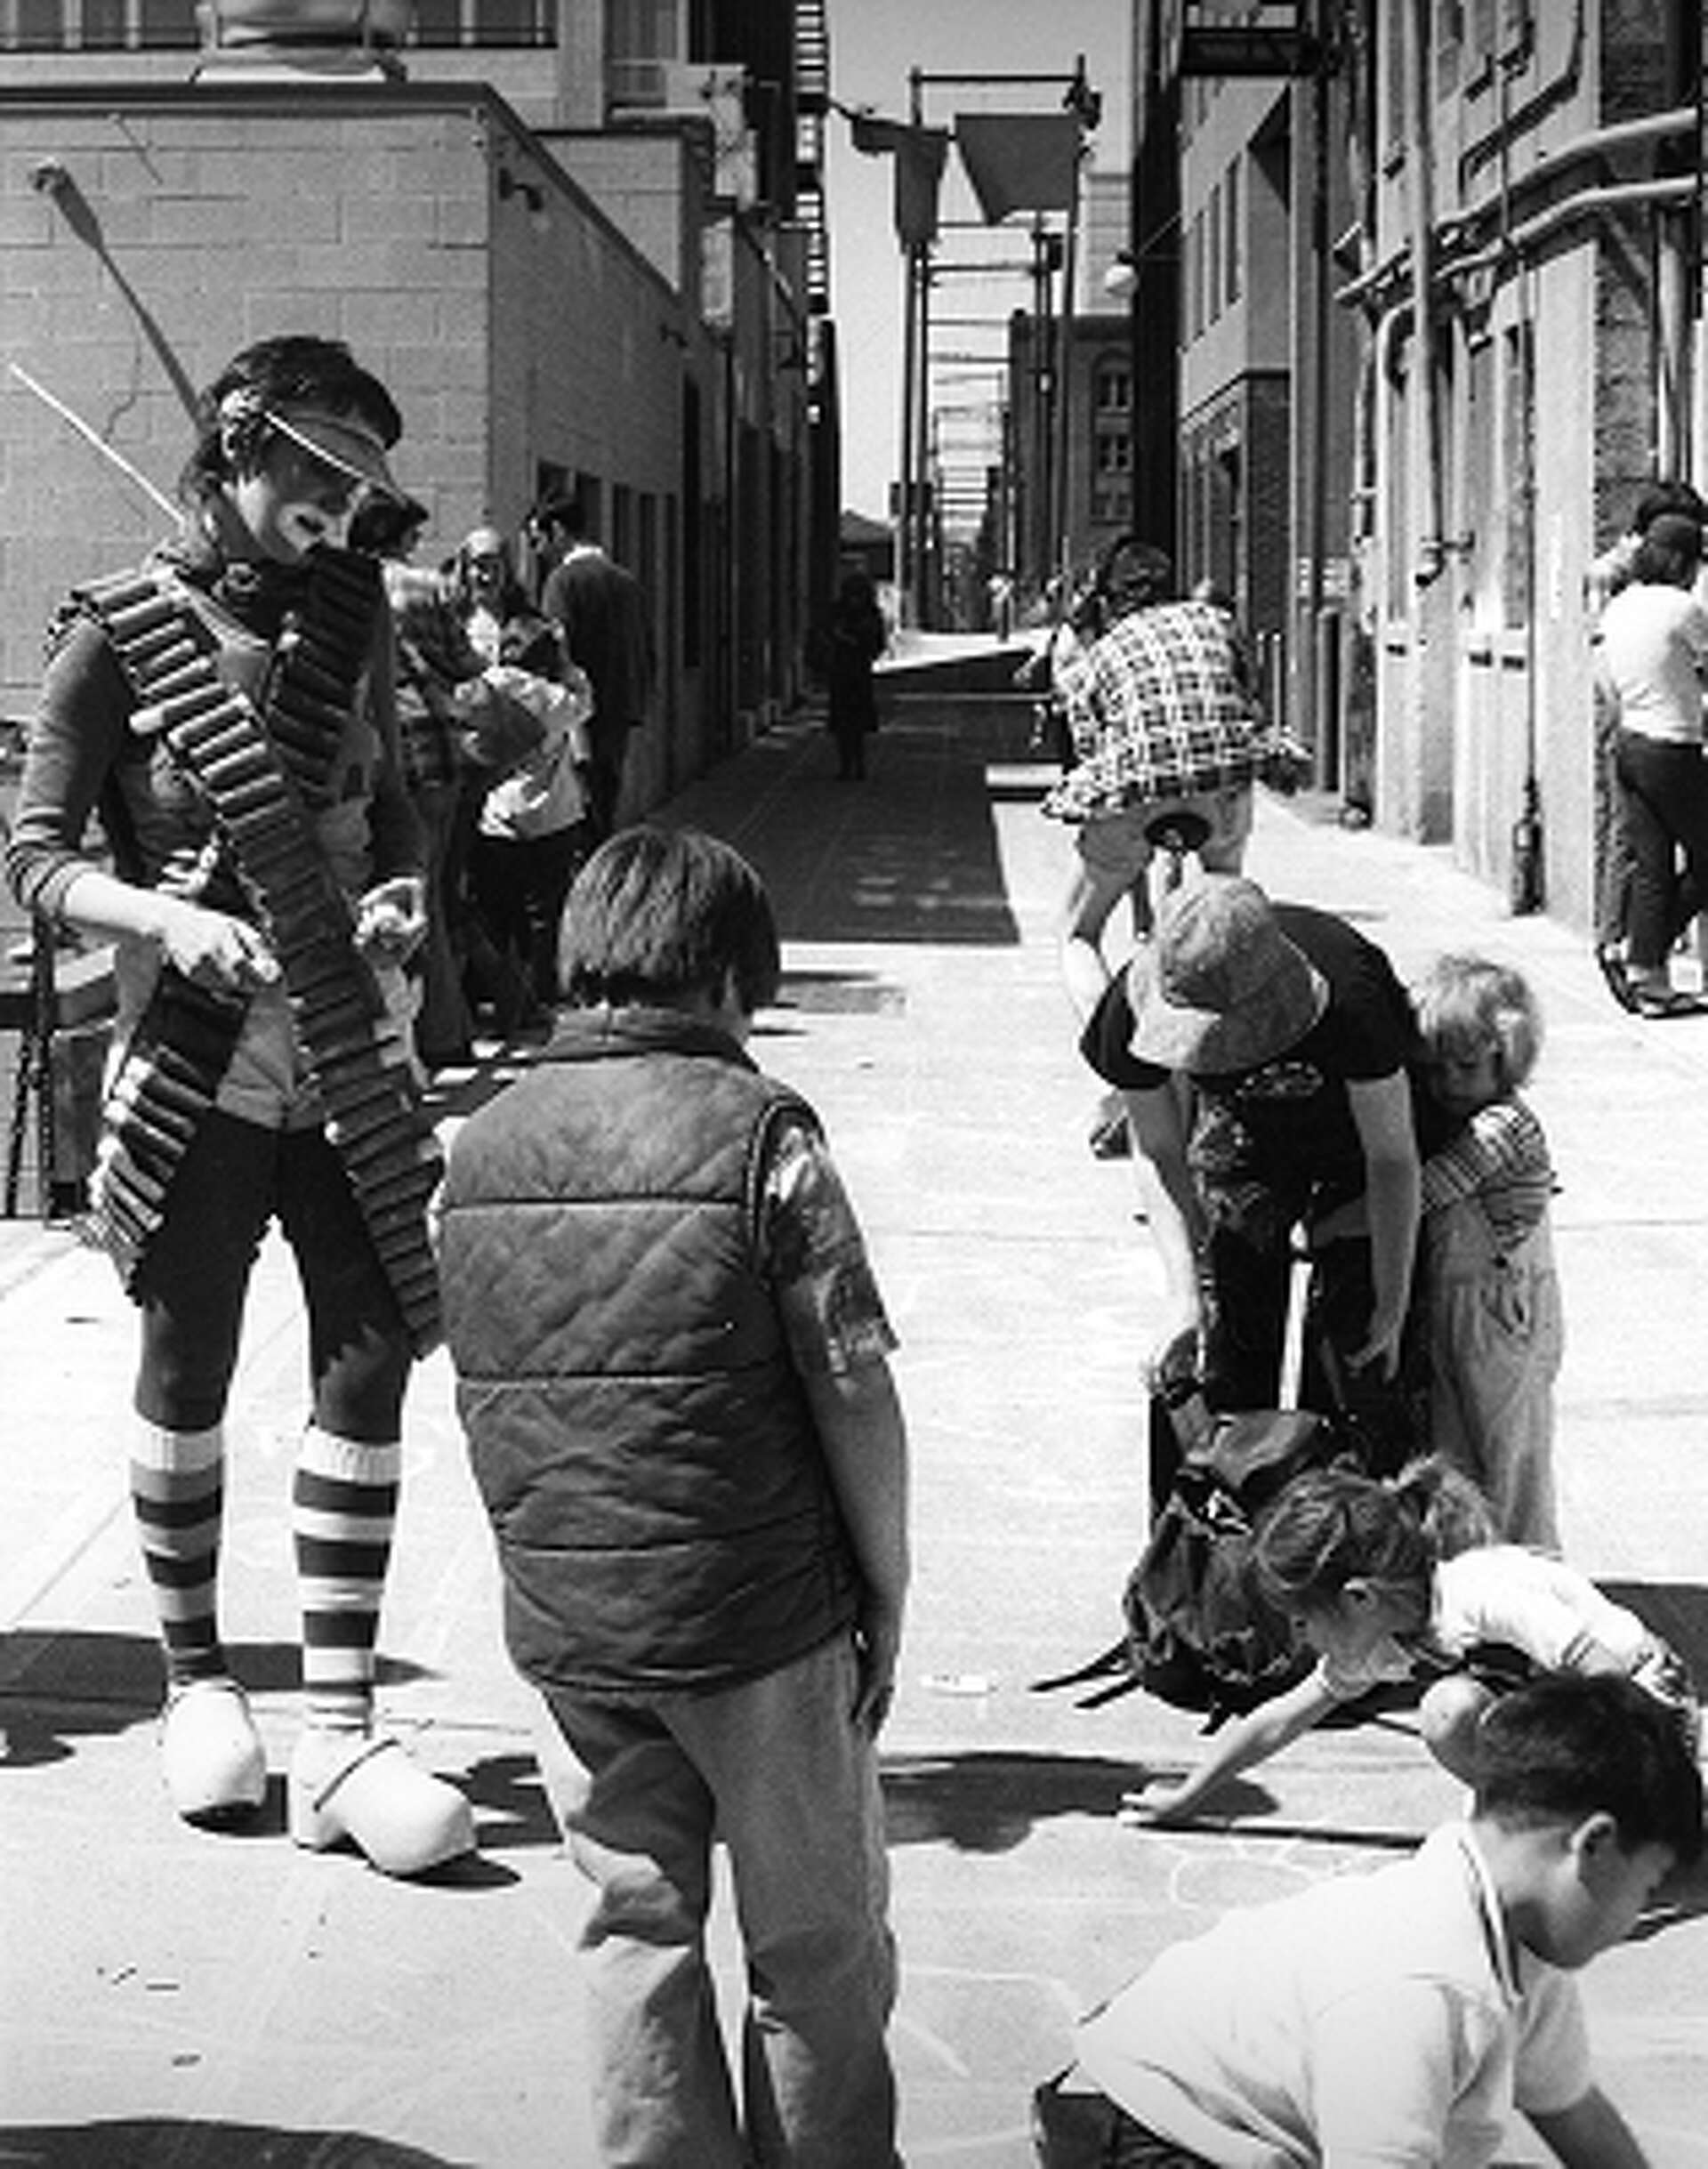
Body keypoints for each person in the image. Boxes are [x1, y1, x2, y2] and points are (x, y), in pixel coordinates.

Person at [3, 334, 474, 1876]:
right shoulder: (116, 633)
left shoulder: (359, 623)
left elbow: (395, 804)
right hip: (192, 1061)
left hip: (345, 1049)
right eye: (315, 480)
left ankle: (340, 1726)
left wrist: (402, 895)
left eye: (359, 493)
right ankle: (196, 1681)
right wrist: (160, 920)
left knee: (370, 1359)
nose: (337, 518)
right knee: (187, 1359)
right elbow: (32, 857)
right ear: (235, 450)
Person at [437, 825, 908, 2167]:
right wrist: (887, 1577)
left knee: (629, 1931)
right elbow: (855, 1383)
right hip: (759, 1620)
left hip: (575, 1622)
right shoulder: (765, 1137)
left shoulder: (479, 1145)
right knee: (814, 1944)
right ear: (724, 977)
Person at [1043, 1673, 1702, 2167]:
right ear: (1594, 1845)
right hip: (1138, 2132)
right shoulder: (1416, 1982)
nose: (1634, 1922)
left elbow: (1578, 2118)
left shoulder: (1521, 1945)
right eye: (1645, 1890)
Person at [1117, 1456, 1696, 1827]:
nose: (1303, 1638)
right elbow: (1278, 1720)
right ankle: (1549, 1820)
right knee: (1447, 1711)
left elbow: (1610, 1683)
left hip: (1646, 1707)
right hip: (1575, 1720)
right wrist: (1190, 1795)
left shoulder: (1483, 1596)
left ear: (1359, 1598)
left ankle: (1606, 1818)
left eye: (1304, 1620)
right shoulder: (1385, 1637)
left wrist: (1600, 1792)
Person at [1082, 872, 1424, 1461]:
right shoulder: (1128, 1013)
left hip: (1352, 1142)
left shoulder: (1350, 991)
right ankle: (1222, 1527)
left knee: (1360, 1357)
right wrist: (1186, 1296)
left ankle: (1346, 1514)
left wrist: (1392, 1303)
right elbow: (1160, 1152)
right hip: (1241, 1133)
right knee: (1221, 1350)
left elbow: (1392, 1159)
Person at [1413, 955, 1563, 1550]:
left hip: (1503, 1311)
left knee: (1511, 1455)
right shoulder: (1466, 1115)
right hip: (1461, 1305)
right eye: (1435, 1068)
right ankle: (1481, 1573)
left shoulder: (1502, 1126)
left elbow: (1427, 1189)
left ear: (1508, 1056)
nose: (1449, 1081)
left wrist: (1333, 1225)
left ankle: (1534, 1573)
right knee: (1458, 1454)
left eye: (1467, 1066)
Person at [349, 489, 487, 1068]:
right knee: (431, 894)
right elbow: (467, 664)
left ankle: (410, 1040)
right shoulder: (427, 587)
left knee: (384, 901)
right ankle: (444, 1033)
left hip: (375, 759)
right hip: (435, 749)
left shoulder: (345, 587)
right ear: (401, 534)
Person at [1585, 480, 1707, 1010]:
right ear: (1682, 562)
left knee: (1652, 866)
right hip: (1672, 747)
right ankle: (1644, 954)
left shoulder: (1620, 607)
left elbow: (1606, 684)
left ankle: (1649, 981)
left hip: (1629, 742)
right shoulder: (1684, 611)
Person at [532, 493, 656, 842]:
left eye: (538, 540)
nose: (537, 552)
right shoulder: (628, 582)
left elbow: (556, 653)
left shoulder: (562, 583)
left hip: (577, 723)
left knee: (577, 818)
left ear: (556, 531)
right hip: (621, 713)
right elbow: (647, 648)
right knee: (606, 806)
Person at [820, 567, 889, 780]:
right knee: (844, 723)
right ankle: (846, 764)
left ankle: (856, 764)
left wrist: (852, 642)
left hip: (857, 672)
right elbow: (825, 634)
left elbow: (877, 644)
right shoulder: (840, 612)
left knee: (855, 723)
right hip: (843, 671)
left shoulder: (869, 614)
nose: (854, 599)